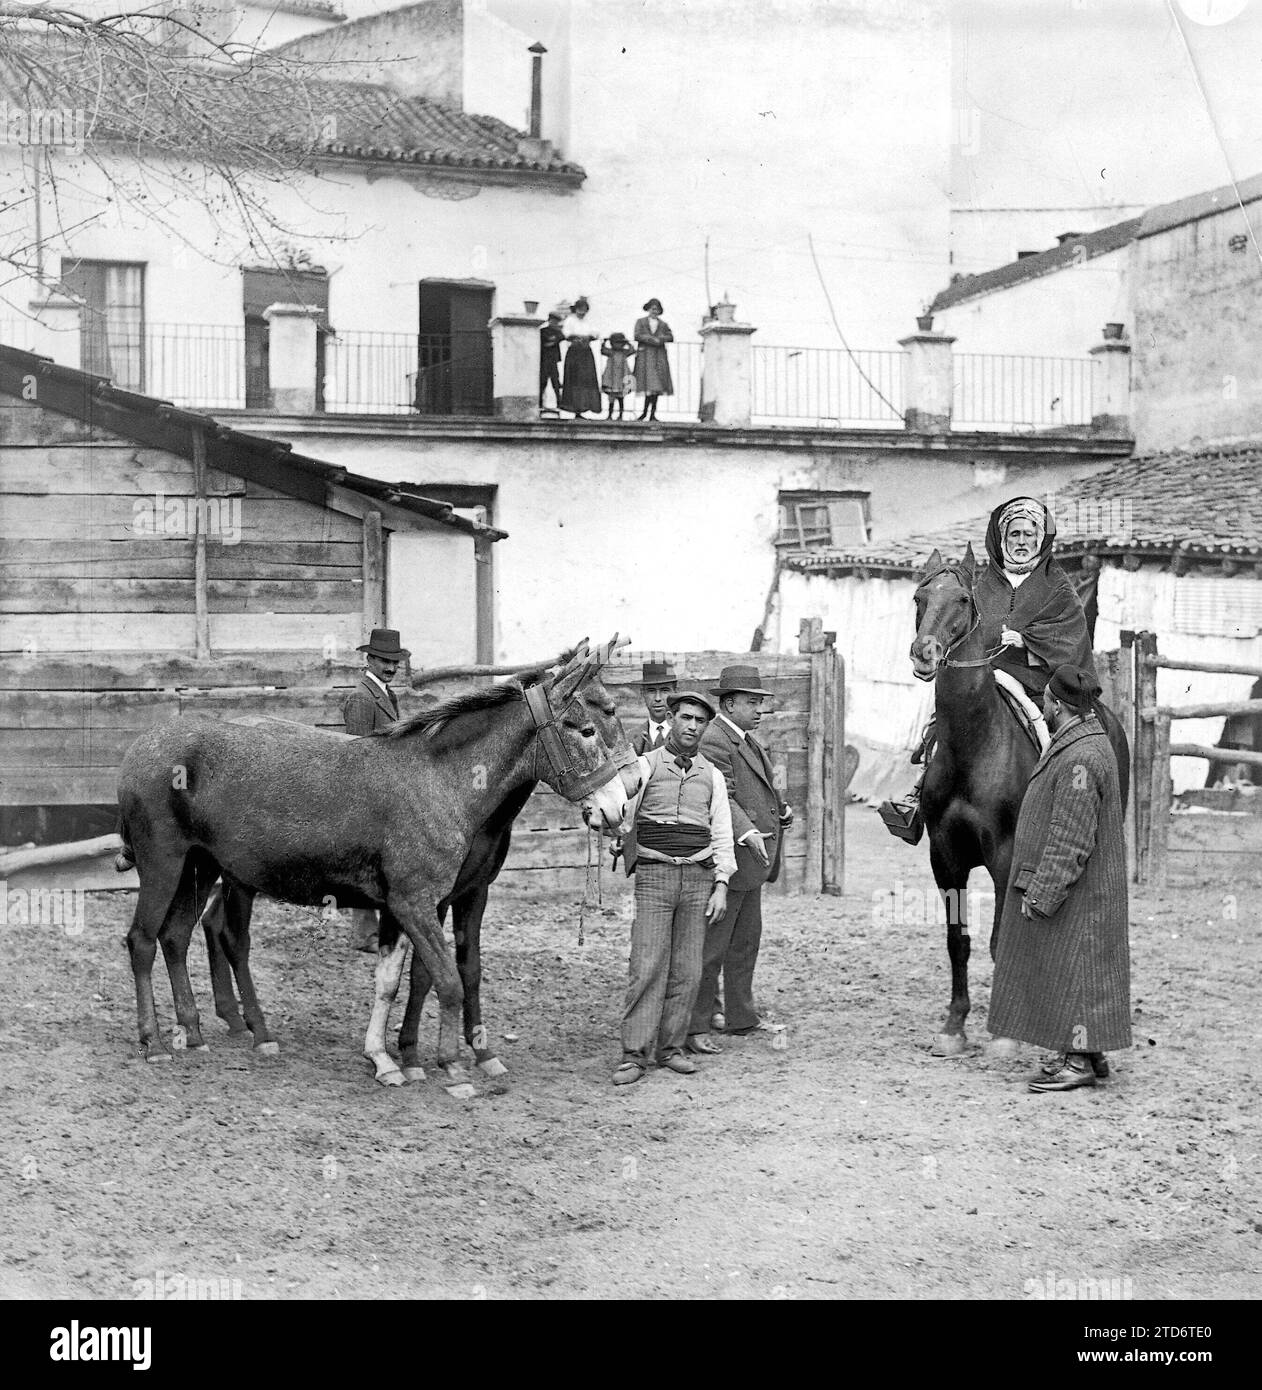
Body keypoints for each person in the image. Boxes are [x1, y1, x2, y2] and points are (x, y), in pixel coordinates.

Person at [882, 496, 1096, 836]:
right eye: (1014, 535)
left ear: (1040, 538)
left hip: (1040, 684)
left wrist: (1029, 641)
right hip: (988, 678)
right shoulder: (983, 586)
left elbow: (1071, 636)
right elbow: (959, 629)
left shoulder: (1058, 586)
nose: (1022, 542)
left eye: (1029, 534)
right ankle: (920, 792)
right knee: (945, 722)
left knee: (1055, 737)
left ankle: (1059, 809)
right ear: (1003, 540)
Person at [988, 664, 1131, 1092]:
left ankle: (1079, 1060)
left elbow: (1071, 837)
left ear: (1057, 705)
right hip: (1087, 888)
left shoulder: (1081, 759)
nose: (1042, 707)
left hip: (1080, 890)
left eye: (1046, 701)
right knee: (1079, 966)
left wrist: (1044, 891)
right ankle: (1088, 1051)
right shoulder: (1081, 743)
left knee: (1077, 965)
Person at [613, 691, 735, 1086]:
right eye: (685, 718)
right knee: (646, 965)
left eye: (700, 721)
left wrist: (721, 883)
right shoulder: (645, 765)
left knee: (687, 969)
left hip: (698, 881)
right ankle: (635, 1054)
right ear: (672, 719)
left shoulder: (712, 775)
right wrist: (616, 829)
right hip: (654, 879)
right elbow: (618, 810)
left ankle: (671, 1048)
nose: (692, 726)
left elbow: (722, 833)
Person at [687, 665, 793, 1053]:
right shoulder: (715, 739)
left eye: (761, 702)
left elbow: (756, 791)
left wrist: (780, 811)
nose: (759, 709)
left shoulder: (745, 739)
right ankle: (696, 1027)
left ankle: (740, 1016)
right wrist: (748, 830)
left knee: (744, 943)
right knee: (712, 948)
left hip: (751, 864)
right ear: (729, 704)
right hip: (728, 863)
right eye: (752, 702)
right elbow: (722, 797)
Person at [342, 627, 410, 951]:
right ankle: (364, 934)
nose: (390, 668)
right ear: (369, 659)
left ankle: (378, 931)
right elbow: (357, 756)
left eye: (394, 661)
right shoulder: (361, 697)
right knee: (364, 866)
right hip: (365, 796)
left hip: (385, 793)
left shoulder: (386, 694)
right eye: (384, 660)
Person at [633, 297, 674, 422]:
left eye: (657, 309)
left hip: (659, 356)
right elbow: (637, 335)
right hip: (646, 356)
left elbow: (670, 336)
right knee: (648, 385)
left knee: (657, 386)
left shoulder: (663, 324)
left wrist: (660, 339)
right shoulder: (640, 322)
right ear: (648, 309)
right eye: (652, 309)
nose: (654, 311)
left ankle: (651, 414)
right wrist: (650, 339)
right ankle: (645, 413)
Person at [560, 296, 601, 418]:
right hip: (574, 353)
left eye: (584, 310)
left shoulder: (588, 321)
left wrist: (588, 337)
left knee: (586, 379)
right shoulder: (570, 320)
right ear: (576, 309)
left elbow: (596, 333)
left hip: (586, 353)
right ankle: (575, 409)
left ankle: (584, 408)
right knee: (575, 379)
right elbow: (566, 333)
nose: (582, 312)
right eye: (580, 309)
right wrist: (577, 337)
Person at [630, 659, 677, 755]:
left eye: (664, 690)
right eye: (651, 691)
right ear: (642, 693)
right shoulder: (630, 738)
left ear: (675, 692)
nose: (658, 698)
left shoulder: (685, 734)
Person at [600, 330, 636, 420]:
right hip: (611, 379)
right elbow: (602, 350)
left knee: (621, 398)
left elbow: (632, 350)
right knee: (611, 398)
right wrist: (604, 342)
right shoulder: (611, 352)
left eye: (621, 343)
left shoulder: (624, 352)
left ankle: (620, 415)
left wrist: (628, 342)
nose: (618, 345)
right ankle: (609, 415)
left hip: (621, 379)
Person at [539, 310, 564, 412]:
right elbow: (545, 342)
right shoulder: (543, 331)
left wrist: (552, 340)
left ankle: (559, 403)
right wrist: (553, 340)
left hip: (553, 360)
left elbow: (561, 338)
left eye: (556, 321)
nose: (554, 323)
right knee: (543, 381)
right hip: (544, 359)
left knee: (556, 382)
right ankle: (540, 403)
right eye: (553, 320)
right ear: (549, 320)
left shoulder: (558, 332)